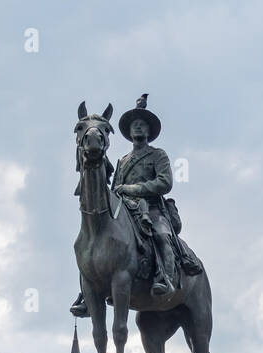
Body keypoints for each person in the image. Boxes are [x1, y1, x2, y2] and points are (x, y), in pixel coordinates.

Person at [71, 94, 201, 316]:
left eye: (142, 125)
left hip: (152, 209)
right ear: (129, 133)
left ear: (148, 131)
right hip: (125, 211)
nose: (138, 128)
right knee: (93, 241)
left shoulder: (158, 155)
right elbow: (115, 188)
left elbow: (165, 182)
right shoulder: (122, 161)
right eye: (134, 126)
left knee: (161, 235)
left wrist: (133, 189)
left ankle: (165, 278)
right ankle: (86, 293)